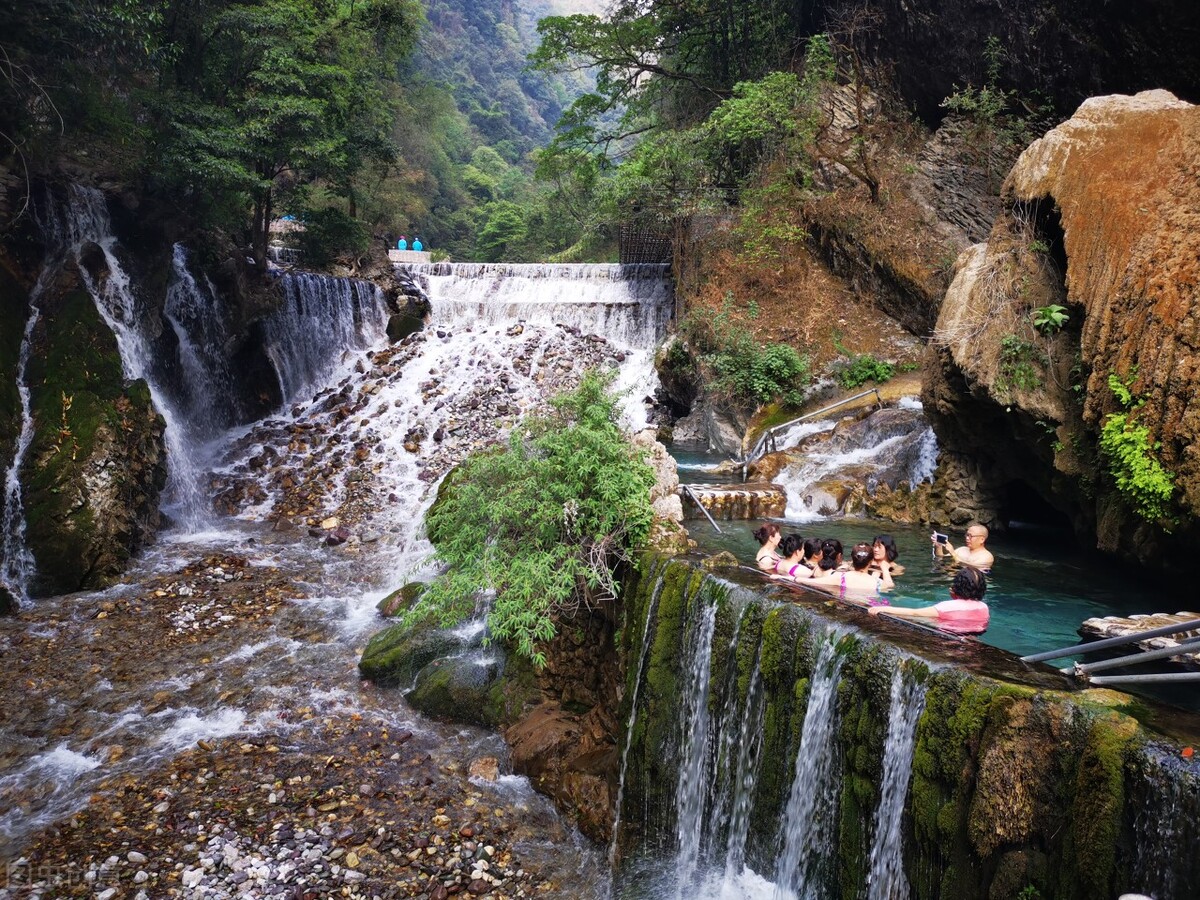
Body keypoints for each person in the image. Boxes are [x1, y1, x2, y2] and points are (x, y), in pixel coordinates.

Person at [869, 566, 989, 634]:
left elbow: (915, 613)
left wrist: (883, 608)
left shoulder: (947, 606)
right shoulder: (984, 607)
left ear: (958, 585)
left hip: (947, 639)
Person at [810, 542, 893, 603]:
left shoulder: (840, 576)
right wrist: (885, 568)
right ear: (871, 561)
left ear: (852, 559)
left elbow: (811, 582)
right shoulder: (879, 583)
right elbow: (890, 585)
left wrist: (797, 578)